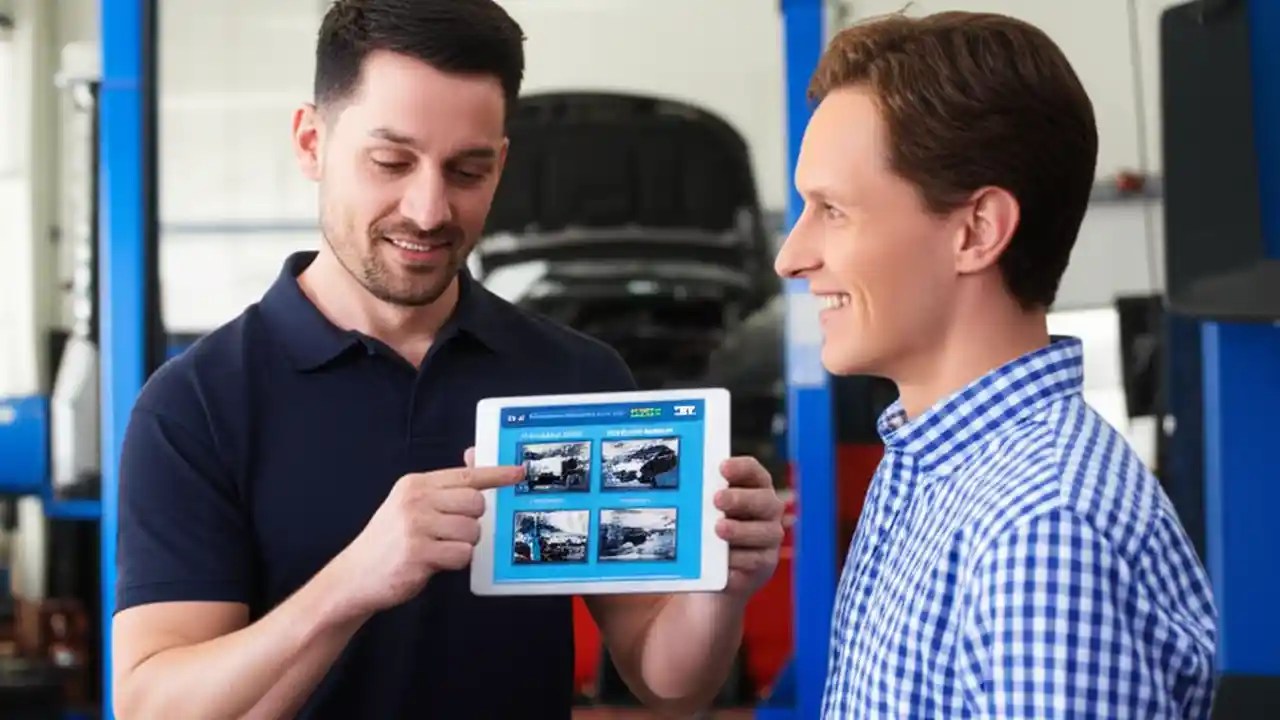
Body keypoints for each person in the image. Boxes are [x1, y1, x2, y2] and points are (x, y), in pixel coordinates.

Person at [110, 1, 785, 718]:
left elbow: (669, 686)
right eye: (391, 162)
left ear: (500, 163)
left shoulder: (572, 381)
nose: (429, 210)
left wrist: (722, 584)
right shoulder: (199, 405)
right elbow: (154, 704)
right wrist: (352, 582)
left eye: (467, 170)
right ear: (312, 142)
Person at [773, 11, 1218, 719]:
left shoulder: (1040, 532)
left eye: (833, 210)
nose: (790, 256)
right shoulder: (932, 471)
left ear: (977, 231)